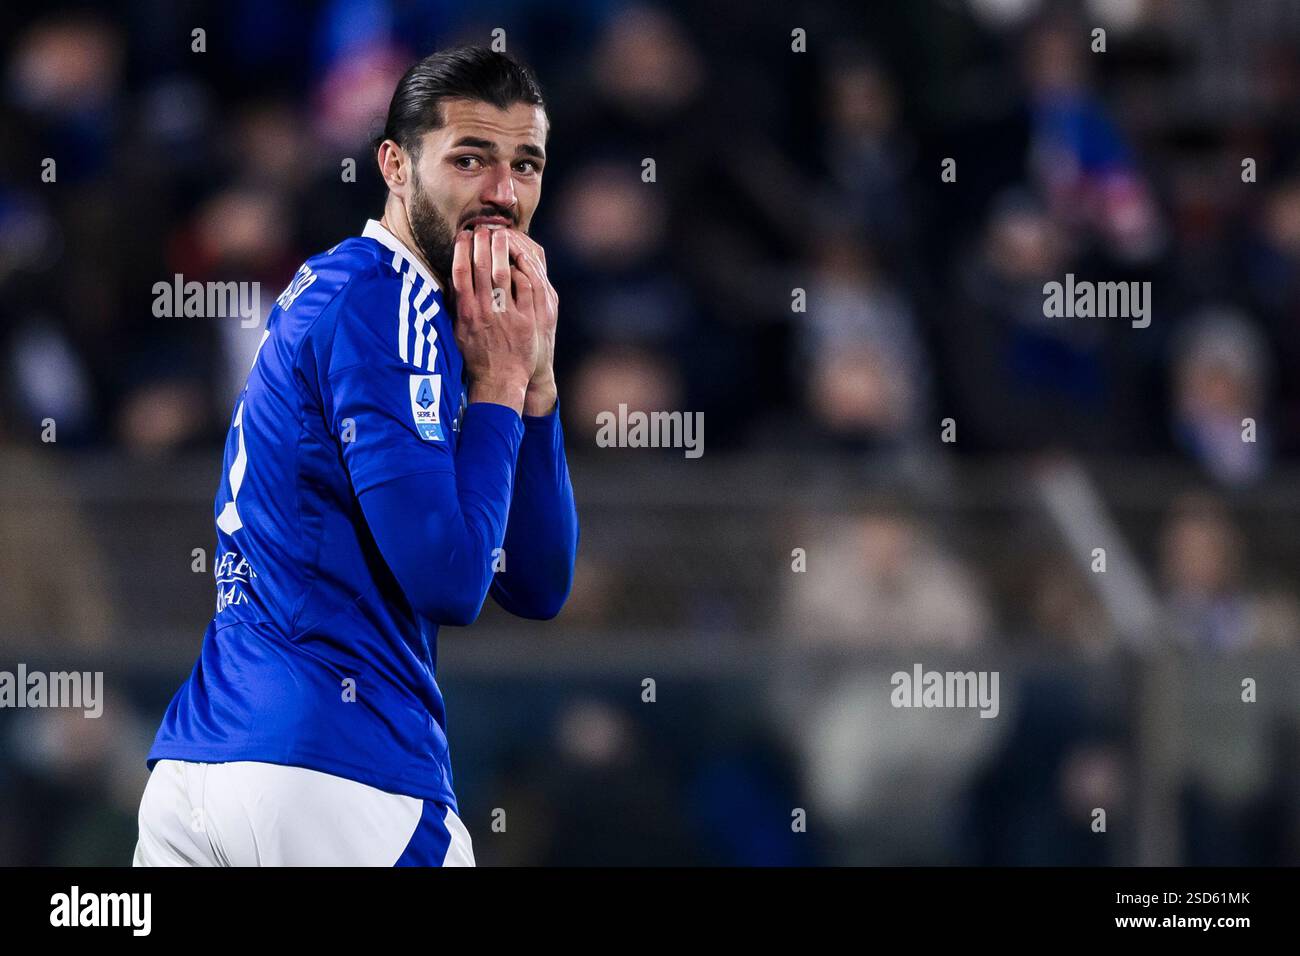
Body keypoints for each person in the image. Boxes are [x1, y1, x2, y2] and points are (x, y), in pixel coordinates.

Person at [133, 46, 577, 866]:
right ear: (395, 165)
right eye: (470, 159)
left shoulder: (371, 299)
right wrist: (501, 384)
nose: (504, 195)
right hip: (334, 779)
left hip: (204, 775)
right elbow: (448, 579)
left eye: (526, 164)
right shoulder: (384, 304)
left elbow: (537, 581)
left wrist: (535, 391)